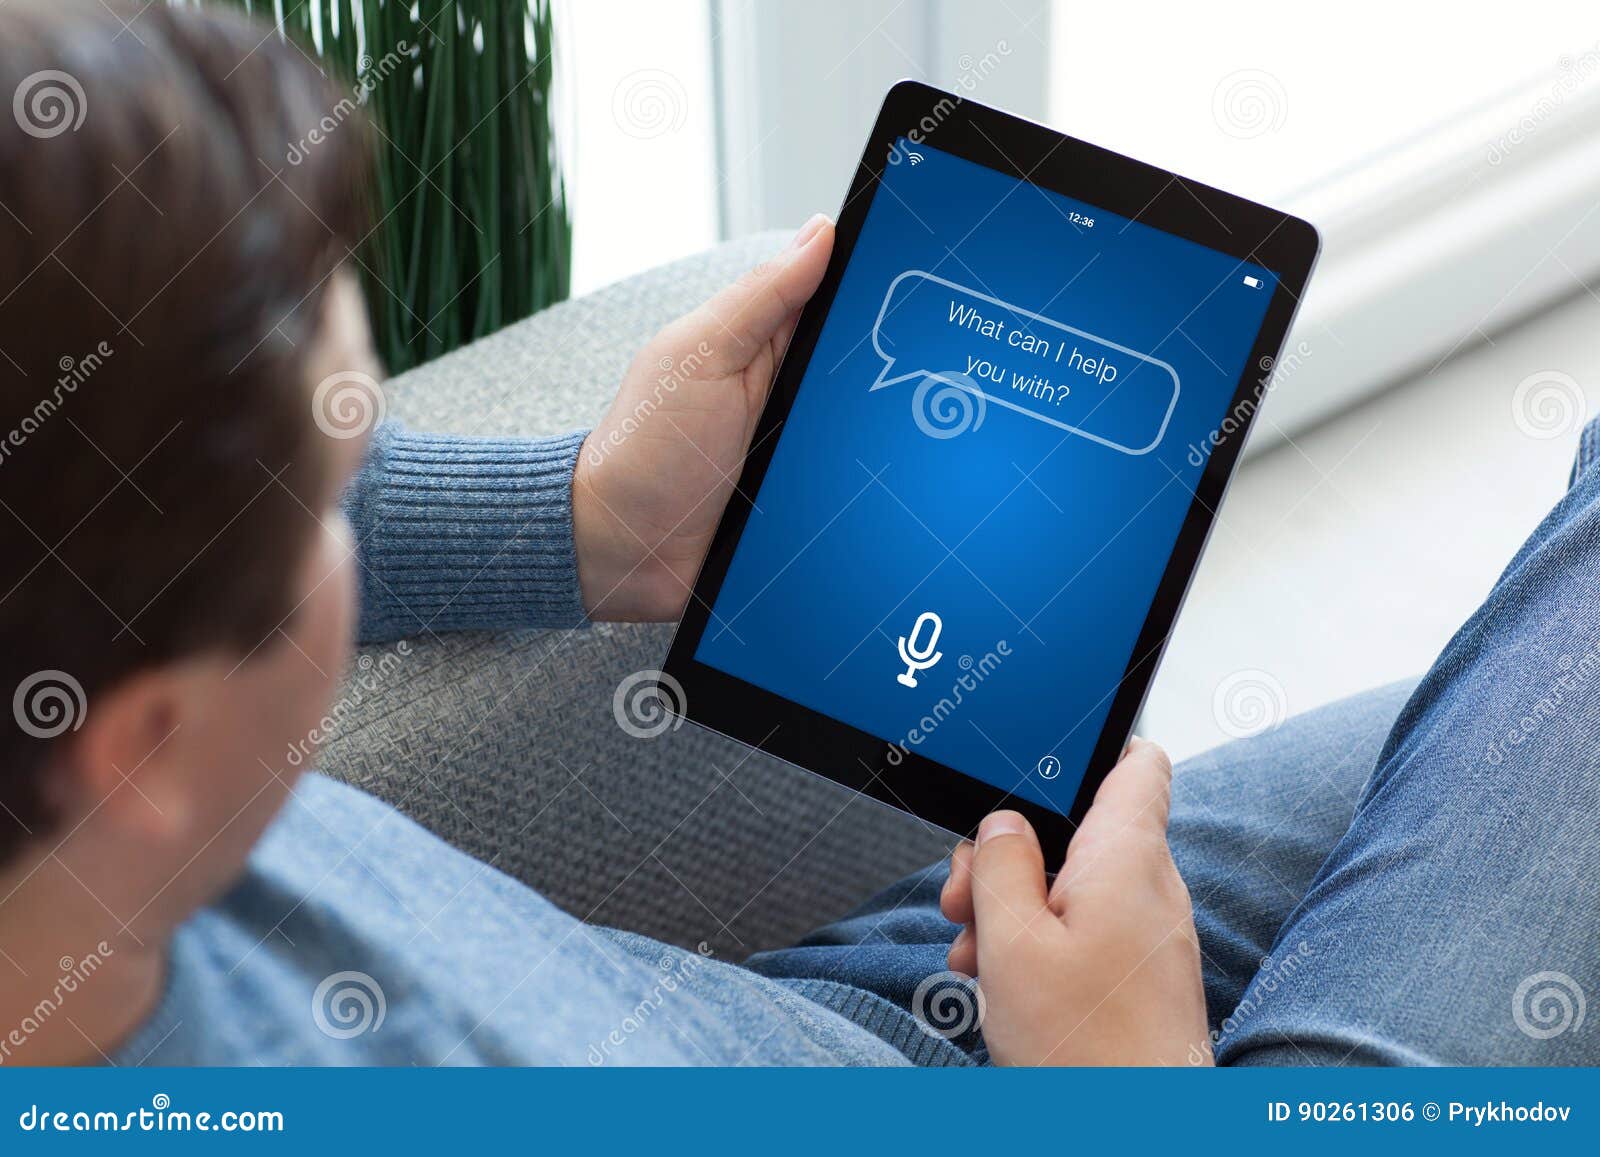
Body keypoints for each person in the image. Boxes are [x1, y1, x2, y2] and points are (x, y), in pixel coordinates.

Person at [0, 0, 1593, 1069]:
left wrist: (581, 523)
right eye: (322, 493)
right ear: (136, 752)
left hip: (813, 1024)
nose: (351, 488)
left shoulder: (85, 831)